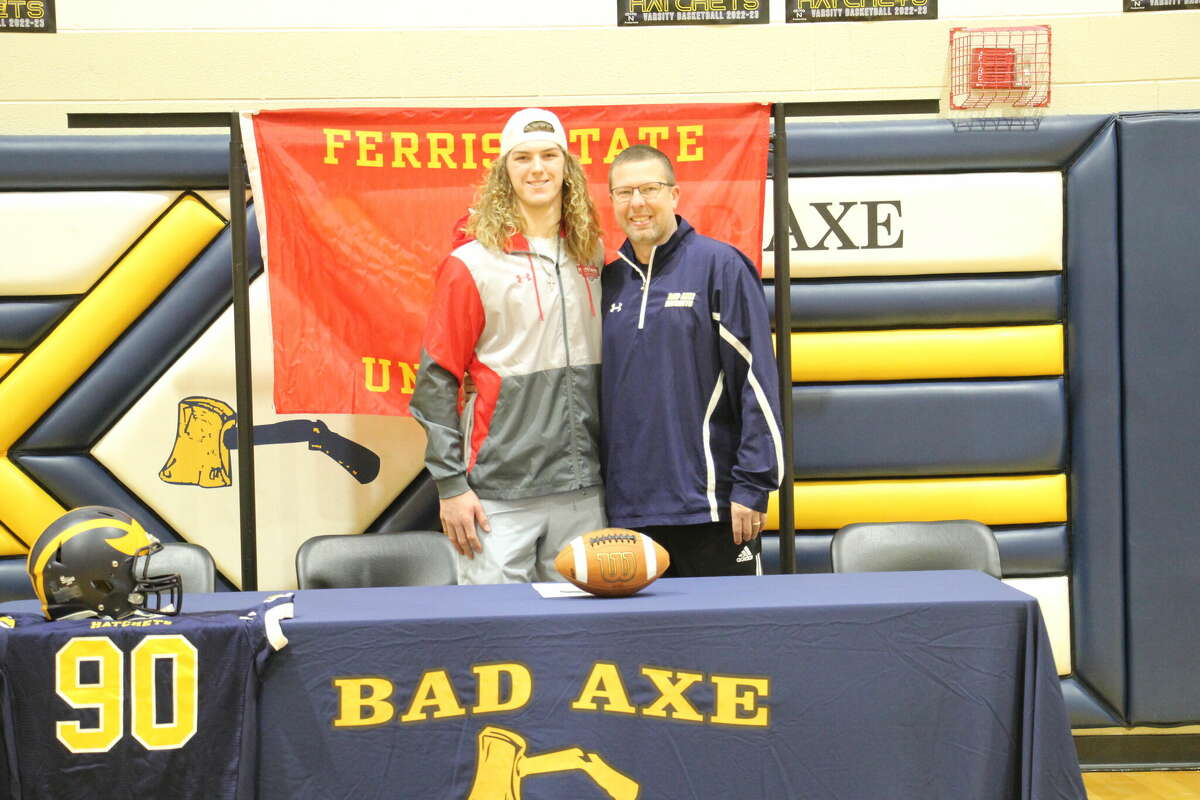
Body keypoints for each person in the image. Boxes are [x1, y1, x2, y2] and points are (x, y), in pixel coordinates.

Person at [410, 108, 606, 584]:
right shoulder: (472, 262)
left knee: (579, 643)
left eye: (548, 156)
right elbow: (436, 380)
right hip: (499, 493)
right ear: (505, 171)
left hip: (584, 491)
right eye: (522, 158)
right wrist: (451, 486)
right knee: (496, 640)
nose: (537, 168)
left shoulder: (594, 255)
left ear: (567, 168)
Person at [600, 144, 783, 576]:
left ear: (675, 194)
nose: (638, 203)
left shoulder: (720, 266)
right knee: (641, 645)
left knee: (728, 642)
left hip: (713, 508)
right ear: (611, 202)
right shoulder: (609, 283)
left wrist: (752, 486)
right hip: (628, 514)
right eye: (625, 192)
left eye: (650, 189)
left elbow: (757, 381)